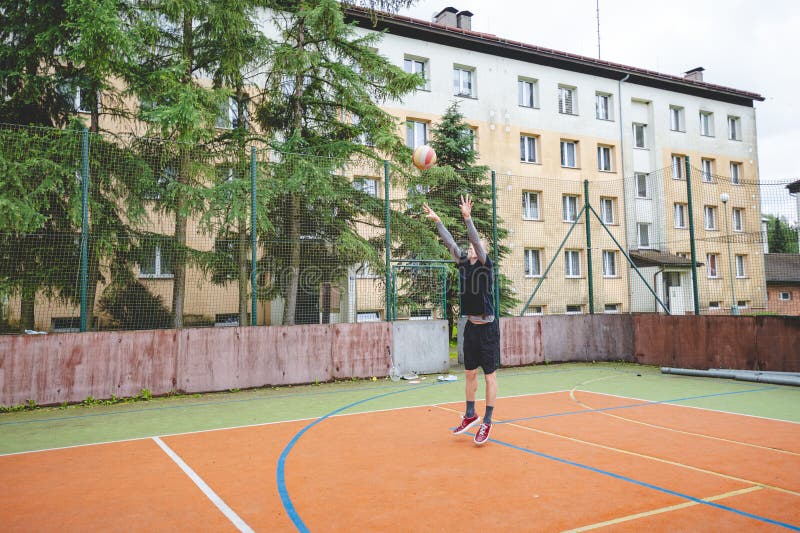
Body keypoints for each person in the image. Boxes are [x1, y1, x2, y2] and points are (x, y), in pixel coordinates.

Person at [423, 195, 499, 446]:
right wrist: (438, 222)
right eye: (469, 248)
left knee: (489, 376)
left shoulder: (486, 265)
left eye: (476, 247)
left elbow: (475, 241)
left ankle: (487, 420)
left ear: (482, 250)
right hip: (471, 329)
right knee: (469, 374)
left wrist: (468, 219)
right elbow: (451, 244)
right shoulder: (464, 264)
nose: (470, 249)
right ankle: (470, 414)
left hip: (488, 328)